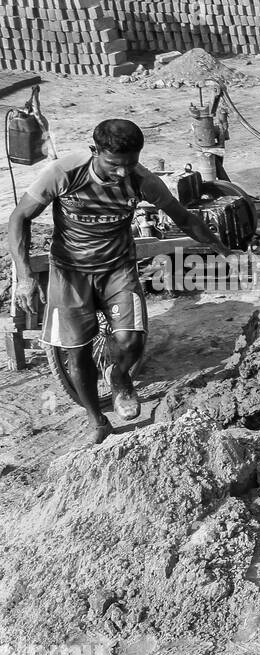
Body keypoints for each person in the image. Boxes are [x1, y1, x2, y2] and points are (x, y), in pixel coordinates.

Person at [8, 119, 235, 446]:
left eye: (130, 164)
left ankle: (117, 375)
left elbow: (182, 216)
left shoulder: (142, 179)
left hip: (118, 268)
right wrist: (26, 276)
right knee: (76, 352)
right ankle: (95, 418)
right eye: (114, 165)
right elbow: (19, 217)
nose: (122, 173)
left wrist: (217, 245)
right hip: (70, 271)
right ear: (94, 151)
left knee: (132, 341)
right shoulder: (65, 173)